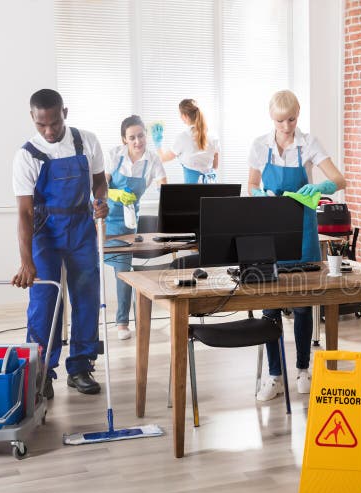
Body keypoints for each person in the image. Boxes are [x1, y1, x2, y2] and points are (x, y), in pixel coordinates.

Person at [247, 89, 346, 401]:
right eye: (280, 120)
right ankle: (274, 376)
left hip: (303, 233)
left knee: (303, 306)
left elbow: (339, 180)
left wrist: (317, 186)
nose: (287, 126)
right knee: (270, 308)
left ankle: (303, 369)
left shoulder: (309, 144)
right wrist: (261, 196)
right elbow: (250, 184)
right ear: (271, 118)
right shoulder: (260, 146)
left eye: (291, 119)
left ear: (298, 115)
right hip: (269, 232)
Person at [11, 89, 108, 399]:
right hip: (44, 231)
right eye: (42, 125)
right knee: (44, 301)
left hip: (81, 227)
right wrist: (27, 262)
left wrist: (101, 200)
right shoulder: (26, 155)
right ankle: (42, 371)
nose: (49, 131)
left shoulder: (87, 141)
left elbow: (99, 182)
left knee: (87, 295)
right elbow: (25, 214)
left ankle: (80, 366)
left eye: (54, 122)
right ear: (32, 118)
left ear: (64, 112)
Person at [104, 115, 168, 340]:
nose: (137, 141)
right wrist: (113, 193)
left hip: (127, 223)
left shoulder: (152, 160)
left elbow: (164, 187)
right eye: (132, 137)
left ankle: (122, 323)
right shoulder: (115, 155)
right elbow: (100, 187)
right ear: (124, 139)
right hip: (104, 219)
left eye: (141, 135)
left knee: (123, 271)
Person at [156, 99, 220, 183]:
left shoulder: (183, 137)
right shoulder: (213, 136)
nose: (180, 117)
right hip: (211, 189)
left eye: (180, 114)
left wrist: (158, 143)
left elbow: (163, 158)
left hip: (191, 191)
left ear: (185, 116)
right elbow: (215, 166)